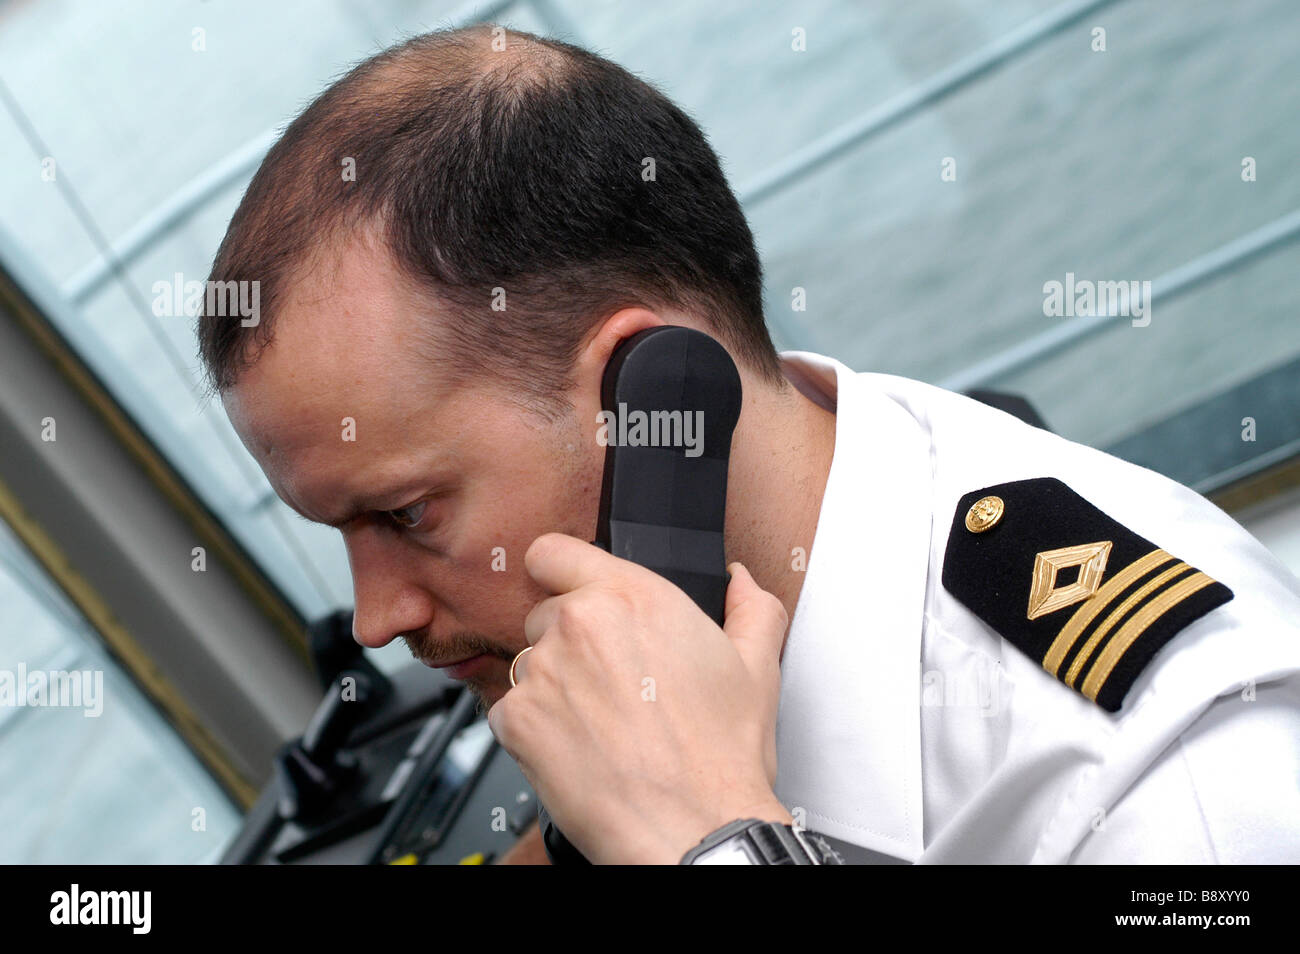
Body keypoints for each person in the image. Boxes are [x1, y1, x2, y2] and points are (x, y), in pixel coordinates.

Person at [199, 25, 1300, 864]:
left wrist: (703, 837)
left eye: (404, 515)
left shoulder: (1180, 771)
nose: (379, 616)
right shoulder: (612, 632)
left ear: (656, 398)